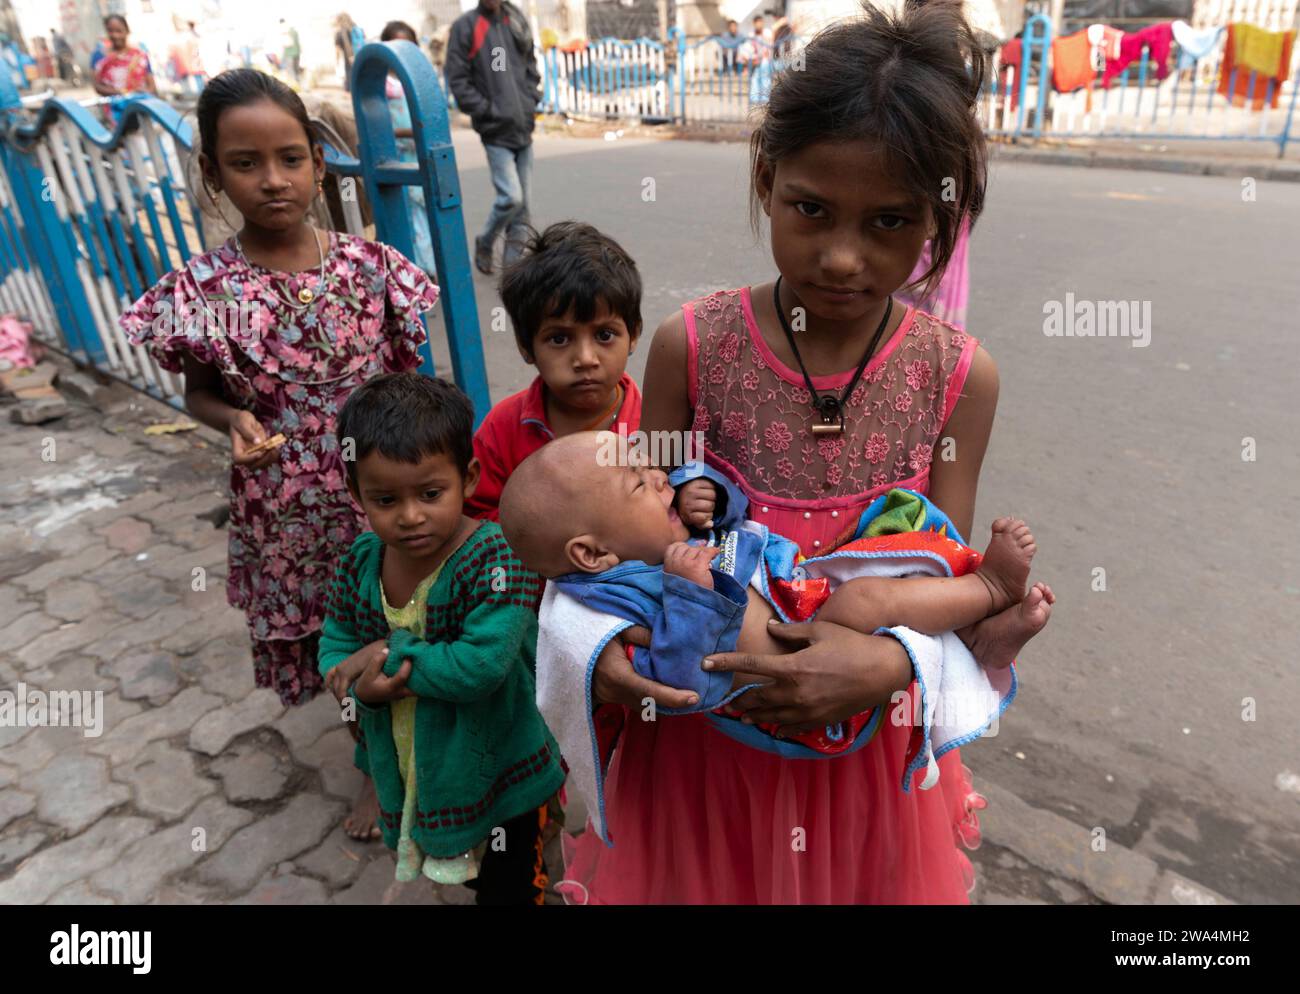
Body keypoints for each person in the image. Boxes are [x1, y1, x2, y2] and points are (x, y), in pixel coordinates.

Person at [562, 0, 1049, 903]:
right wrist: (612, 648)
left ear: (940, 219)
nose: (839, 257)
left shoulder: (958, 379)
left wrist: (889, 663)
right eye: (811, 209)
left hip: (862, 752)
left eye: (890, 224)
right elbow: (628, 529)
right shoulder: (690, 348)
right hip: (706, 741)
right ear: (764, 175)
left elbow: (936, 572)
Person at [119, 68, 439, 841]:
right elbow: (198, 392)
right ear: (211, 172)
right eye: (245, 162)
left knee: (414, 629)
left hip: (387, 501)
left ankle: (436, 759)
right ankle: (373, 771)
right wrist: (229, 418)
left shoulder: (373, 270)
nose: (273, 181)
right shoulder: (201, 292)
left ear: (319, 165)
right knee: (339, 643)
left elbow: (411, 381)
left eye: (291, 158)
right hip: (290, 517)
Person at [502, 431, 1049, 745]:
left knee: (898, 558)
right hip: (808, 685)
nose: (660, 479)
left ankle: (976, 637)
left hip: (806, 600)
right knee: (868, 599)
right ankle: (990, 589)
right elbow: (684, 686)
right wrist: (691, 594)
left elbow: (737, 522)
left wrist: (707, 491)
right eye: (638, 483)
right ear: (592, 554)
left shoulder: (656, 540)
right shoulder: (622, 593)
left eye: (652, 468)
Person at [318, 372, 565, 904]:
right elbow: (337, 648)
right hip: (419, 766)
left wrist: (383, 658)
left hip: (499, 764)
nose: (410, 517)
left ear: (469, 477)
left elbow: (481, 666)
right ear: (355, 492)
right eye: (385, 499)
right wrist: (358, 686)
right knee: (468, 866)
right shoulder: (362, 561)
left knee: (512, 882)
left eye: (431, 493)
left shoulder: (497, 557)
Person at [464, 221, 643, 521]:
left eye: (604, 335)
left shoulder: (655, 423)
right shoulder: (502, 429)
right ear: (525, 346)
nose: (585, 358)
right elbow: (477, 516)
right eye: (559, 339)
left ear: (634, 334)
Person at [444, 0, 541, 275]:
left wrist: (531, 98)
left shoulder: (515, 19)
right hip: (496, 131)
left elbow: (530, 63)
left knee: (523, 211)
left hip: (524, 125)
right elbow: (458, 81)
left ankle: (513, 271)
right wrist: (488, 111)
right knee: (511, 197)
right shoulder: (466, 27)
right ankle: (485, 241)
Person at [380, 20, 438, 277]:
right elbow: (377, 127)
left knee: (429, 209)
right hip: (398, 155)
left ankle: (429, 265)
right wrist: (409, 132)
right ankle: (421, 269)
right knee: (410, 216)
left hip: (421, 152)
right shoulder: (380, 85)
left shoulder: (418, 80)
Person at [93, 15, 157, 100]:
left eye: (119, 31)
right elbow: (97, 86)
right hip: (114, 108)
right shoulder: (99, 56)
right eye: (110, 31)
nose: (115, 35)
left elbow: (152, 86)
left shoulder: (139, 55)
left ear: (127, 31)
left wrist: (142, 93)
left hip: (142, 105)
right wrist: (122, 93)